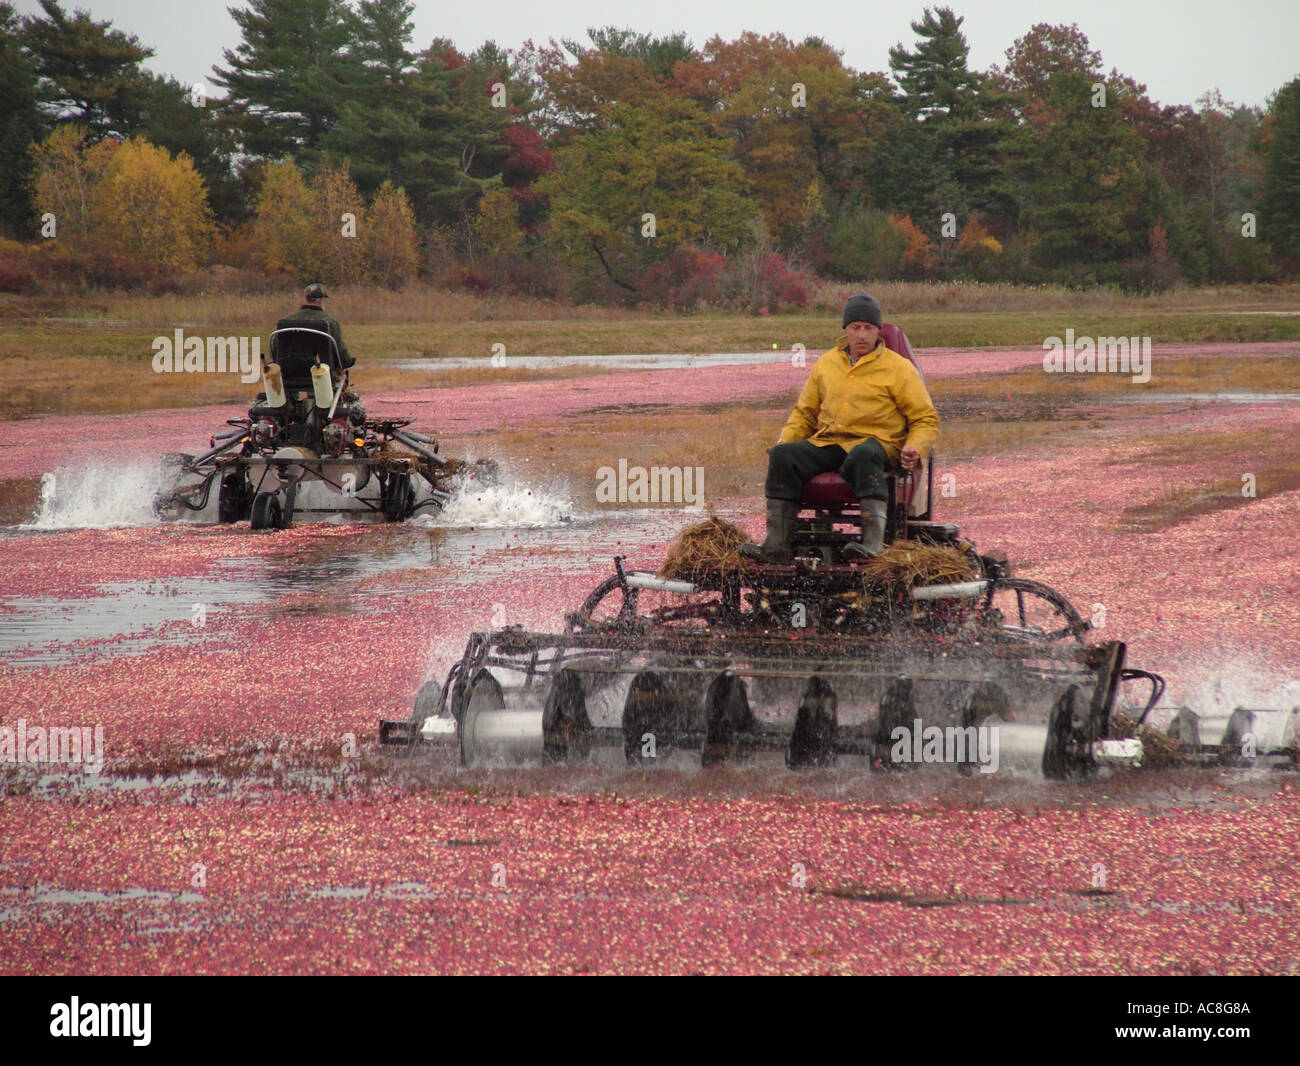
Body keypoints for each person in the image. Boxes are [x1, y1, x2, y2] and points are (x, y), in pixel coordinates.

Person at [739, 292, 939, 563]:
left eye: (868, 328)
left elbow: (925, 419)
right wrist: (784, 442)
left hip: (879, 446)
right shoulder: (826, 364)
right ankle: (776, 547)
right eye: (855, 327)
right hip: (831, 443)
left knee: (864, 453)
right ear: (845, 329)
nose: (861, 335)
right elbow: (804, 413)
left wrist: (915, 447)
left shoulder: (899, 369)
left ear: (878, 331)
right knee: (783, 457)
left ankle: (872, 544)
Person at [271, 282, 354, 371]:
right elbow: (340, 356)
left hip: (287, 377)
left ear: (306, 299)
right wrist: (349, 361)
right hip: (320, 377)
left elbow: (275, 350)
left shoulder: (286, 322)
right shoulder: (328, 322)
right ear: (320, 300)